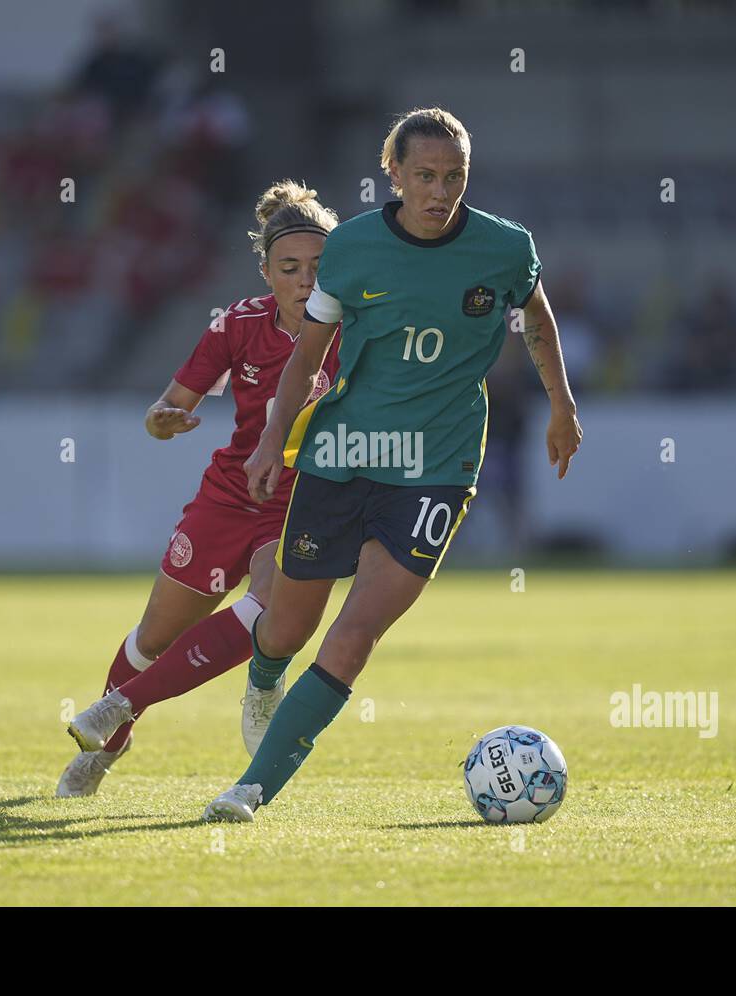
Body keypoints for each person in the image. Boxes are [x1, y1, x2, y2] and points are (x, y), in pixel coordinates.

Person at [177, 105, 580, 821]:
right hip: (340, 456)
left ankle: (250, 788)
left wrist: (562, 405)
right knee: (284, 628)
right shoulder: (353, 249)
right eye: (424, 176)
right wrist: (274, 440)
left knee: (354, 635)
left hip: (438, 467)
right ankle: (265, 678)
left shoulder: (505, 248)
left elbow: (537, 316)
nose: (439, 192)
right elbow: (306, 356)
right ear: (391, 174)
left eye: (454, 178)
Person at [58, 180, 340, 795]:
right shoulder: (237, 325)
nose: (304, 279)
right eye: (289, 268)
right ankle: (106, 747)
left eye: (318, 267)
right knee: (154, 637)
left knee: (268, 601)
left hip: (300, 503)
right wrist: (164, 420)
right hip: (230, 497)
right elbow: (166, 409)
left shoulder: (358, 327)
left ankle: (256, 681)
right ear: (266, 272)